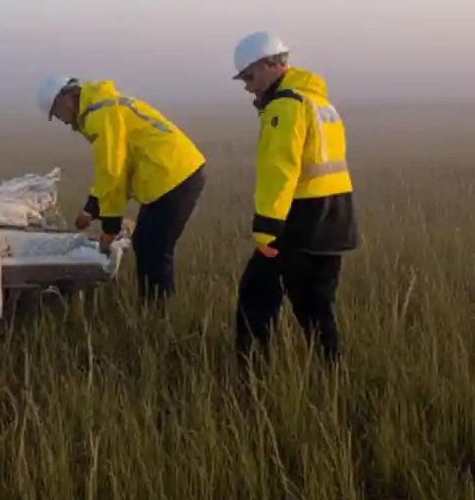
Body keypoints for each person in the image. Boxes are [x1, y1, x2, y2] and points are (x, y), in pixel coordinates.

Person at [231, 31, 359, 364]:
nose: (246, 85)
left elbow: (280, 167)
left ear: (272, 65)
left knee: (256, 295)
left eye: (249, 75)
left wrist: (266, 227)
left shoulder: (286, 105)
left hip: (301, 219)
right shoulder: (319, 101)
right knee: (316, 306)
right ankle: (333, 371)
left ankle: (250, 373)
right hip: (337, 215)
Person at [36, 75, 206, 301]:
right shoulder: (100, 108)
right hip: (173, 174)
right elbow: (116, 168)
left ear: (66, 99)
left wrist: (109, 228)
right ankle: (153, 307)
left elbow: (113, 174)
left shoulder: (100, 115)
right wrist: (92, 207)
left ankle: (157, 313)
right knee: (145, 244)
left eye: (57, 114)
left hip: (174, 176)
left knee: (153, 250)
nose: (64, 122)